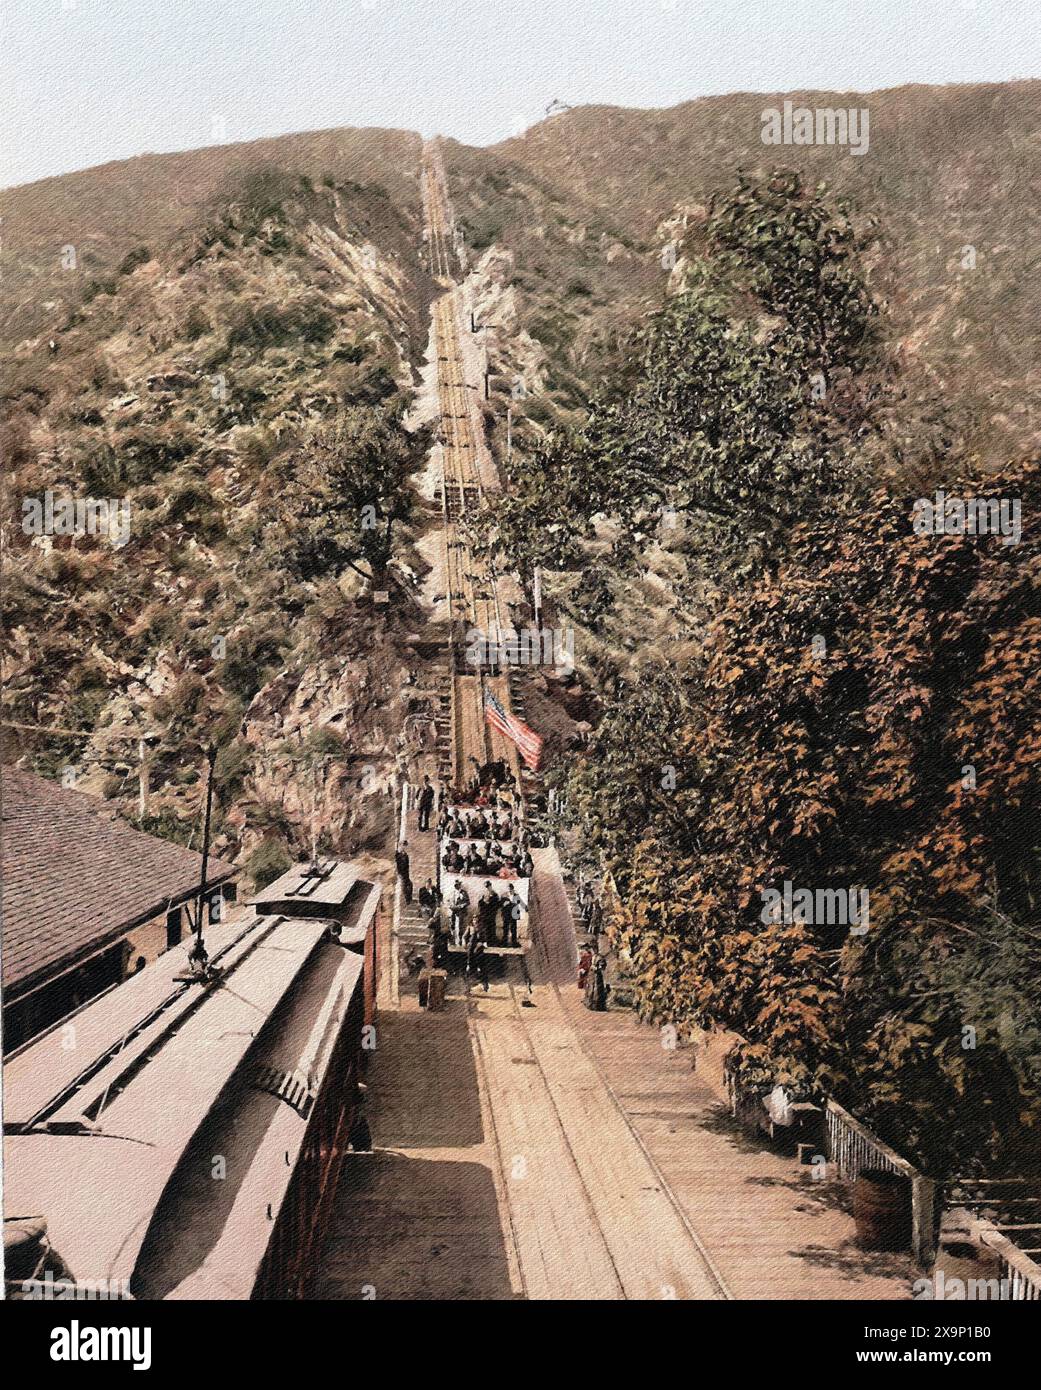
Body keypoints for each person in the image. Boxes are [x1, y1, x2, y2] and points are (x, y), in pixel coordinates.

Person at [477, 881, 500, 945]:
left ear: (490, 886)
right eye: (486, 887)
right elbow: (480, 904)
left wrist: (490, 903)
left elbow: (497, 904)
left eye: (488, 886)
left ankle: (491, 942)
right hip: (484, 914)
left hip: (491, 914)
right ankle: (485, 941)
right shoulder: (483, 894)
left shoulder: (495, 894)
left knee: (492, 928)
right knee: (485, 928)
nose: (487, 888)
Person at [450, 880, 470, 946]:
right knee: (453, 926)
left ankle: (459, 941)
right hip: (454, 911)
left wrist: (462, 905)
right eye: (455, 885)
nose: (456, 886)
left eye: (457, 885)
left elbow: (468, 902)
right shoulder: (453, 893)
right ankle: (454, 940)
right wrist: (451, 906)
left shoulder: (464, 893)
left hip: (461, 912)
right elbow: (450, 901)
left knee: (459, 927)